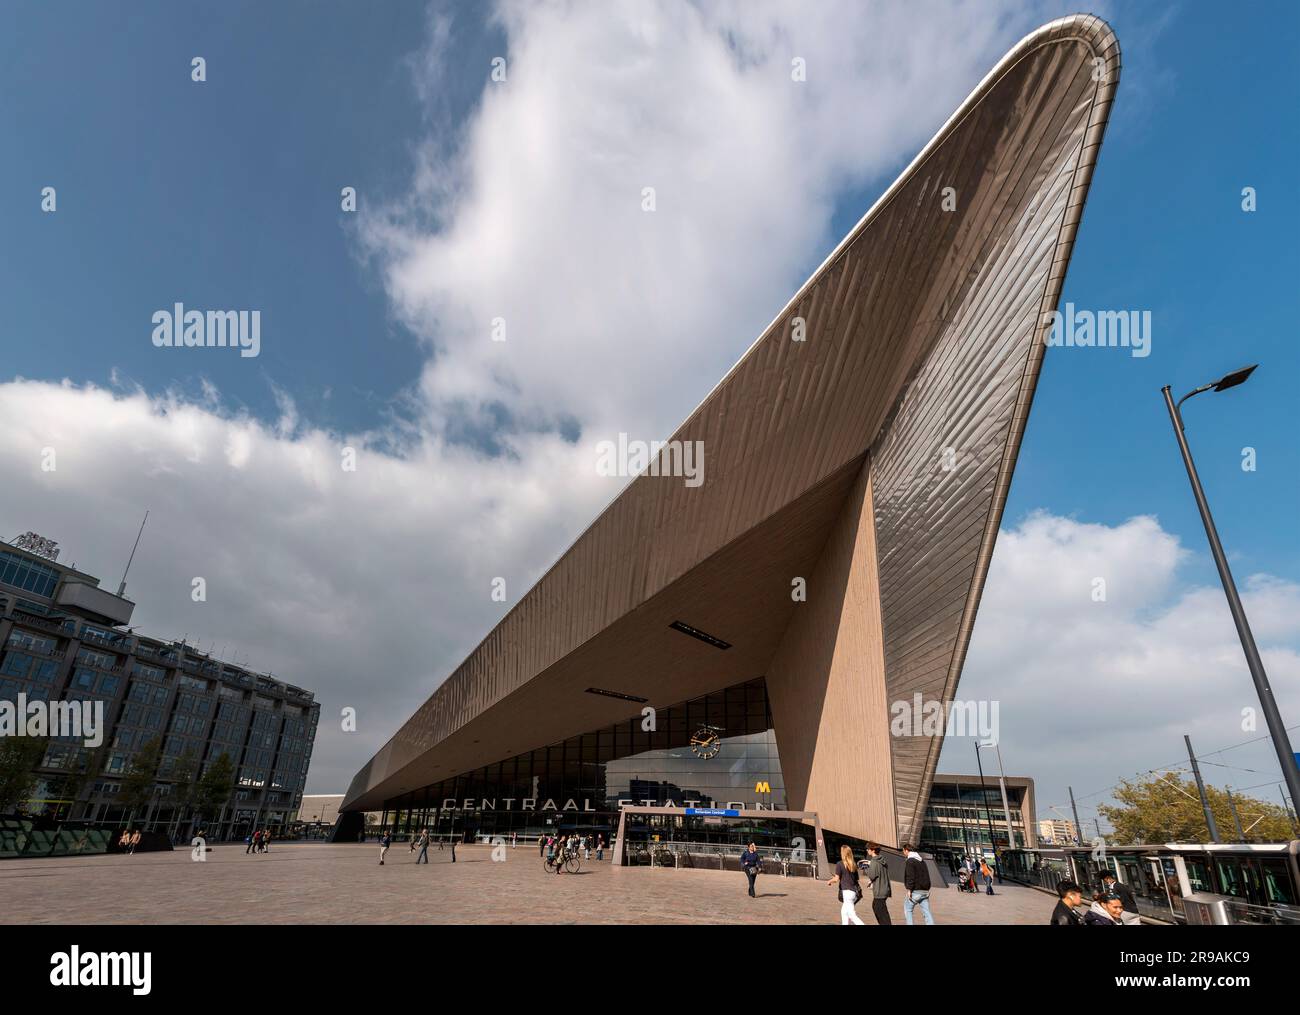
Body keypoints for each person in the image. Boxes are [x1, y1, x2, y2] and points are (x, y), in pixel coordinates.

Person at [826, 845, 864, 924]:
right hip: (853, 892)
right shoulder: (853, 864)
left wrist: (829, 881)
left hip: (847, 892)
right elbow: (856, 879)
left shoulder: (840, 864)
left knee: (852, 915)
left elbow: (836, 879)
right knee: (844, 912)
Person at [901, 843, 934, 925]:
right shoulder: (921, 861)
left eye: (903, 851)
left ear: (906, 850)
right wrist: (927, 889)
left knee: (908, 909)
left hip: (915, 891)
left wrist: (909, 889)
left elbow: (910, 876)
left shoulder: (910, 861)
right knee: (927, 913)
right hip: (925, 891)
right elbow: (926, 875)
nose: (903, 853)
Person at [865, 843, 892, 925]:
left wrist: (865, 868)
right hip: (885, 889)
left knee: (881, 912)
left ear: (873, 850)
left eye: (868, 849)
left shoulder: (874, 861)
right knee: (877, 908)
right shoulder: (882, 860)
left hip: (880, 890)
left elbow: (872, 875)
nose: (867, 850)